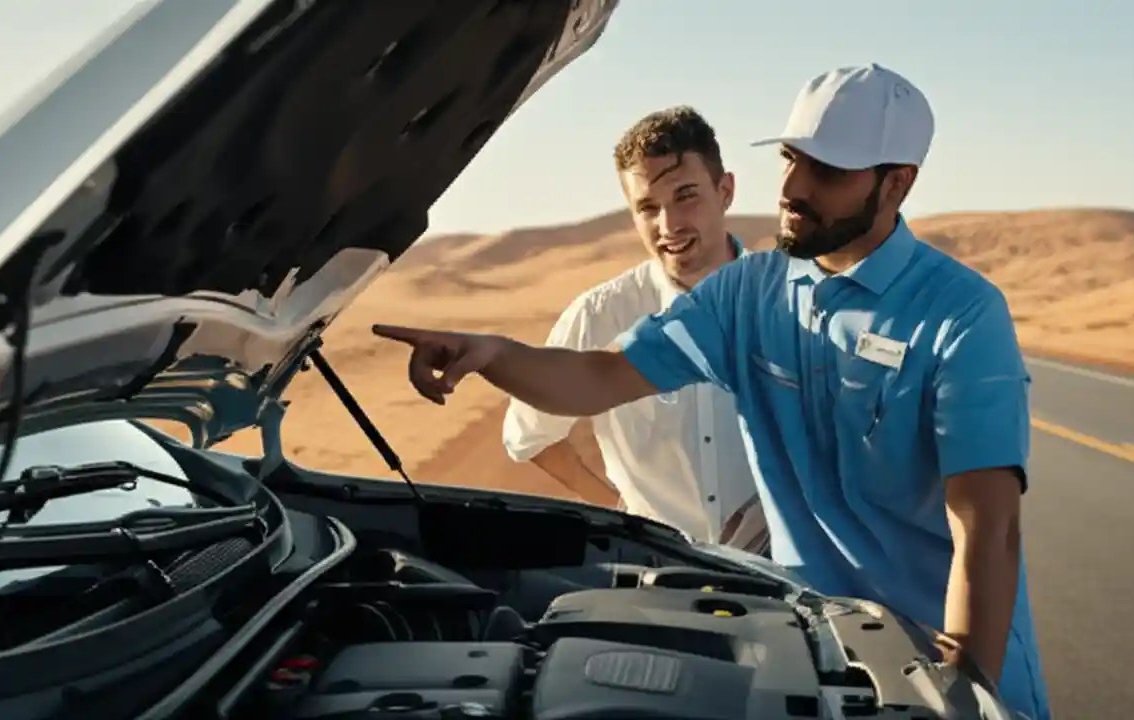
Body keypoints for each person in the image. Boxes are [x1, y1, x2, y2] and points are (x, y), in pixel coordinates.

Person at [371, 63, 1051, 719]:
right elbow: (597, 378)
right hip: (811, 654)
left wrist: (960, 692)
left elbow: (987, 529)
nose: (793, 188)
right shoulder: (746, 292)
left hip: (942, 659)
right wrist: (493, 354)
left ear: (897, 183)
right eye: (790, 159)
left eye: (827, 171)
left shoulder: (962, 314)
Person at [501, 106, 768, 554]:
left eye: (685, 196)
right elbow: (529, 435)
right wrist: (619, 512)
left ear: (725, 191)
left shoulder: (789, 298)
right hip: (659, 569)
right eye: (648, 207)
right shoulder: (599, 316)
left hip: (785, 569)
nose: (669, 225)